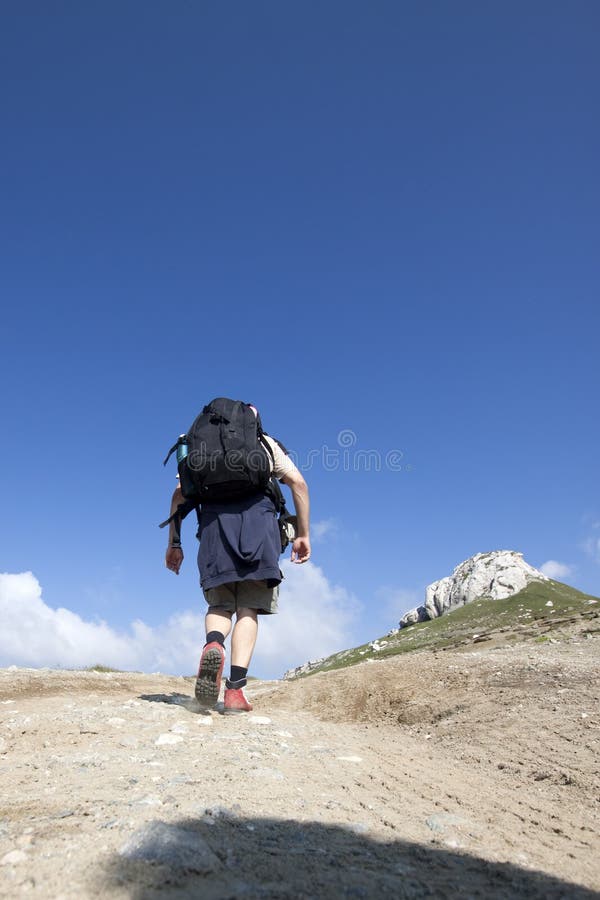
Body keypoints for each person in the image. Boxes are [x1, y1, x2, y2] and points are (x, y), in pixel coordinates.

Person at [164, 404, 310, 715]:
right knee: (249, 608)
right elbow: (298, 484)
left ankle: (214, 643)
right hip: (259, 527)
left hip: (214, 529)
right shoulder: (264, 444)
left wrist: (174, 543)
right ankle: (234, 691)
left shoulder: (200, 447)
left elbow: (179, 495)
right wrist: (303, 534)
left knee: (219, 605)